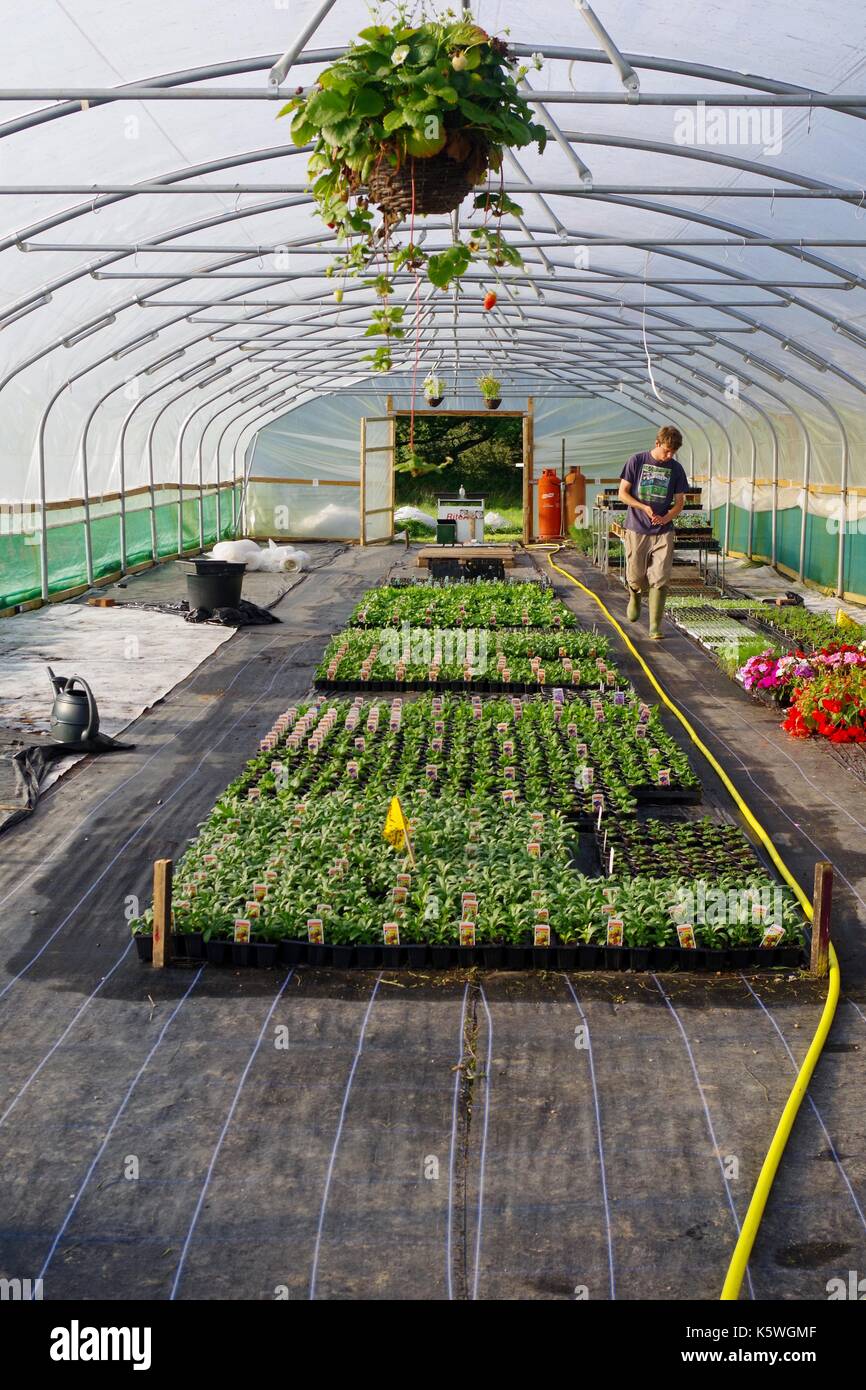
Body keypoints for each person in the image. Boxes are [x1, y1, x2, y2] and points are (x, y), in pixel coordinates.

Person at [618, 426, 689, 640]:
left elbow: (680, 503)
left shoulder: (676, 469)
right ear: (657, 444)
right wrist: (643, 507)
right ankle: (635, 596)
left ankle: (655, 626)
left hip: (663, 530)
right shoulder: (637, 461)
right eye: (667, 451)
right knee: (637, 574)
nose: (669, 456)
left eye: (673, 453)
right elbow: (623, 494)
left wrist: (667, 517)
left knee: (660, 576)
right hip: (637, 527)